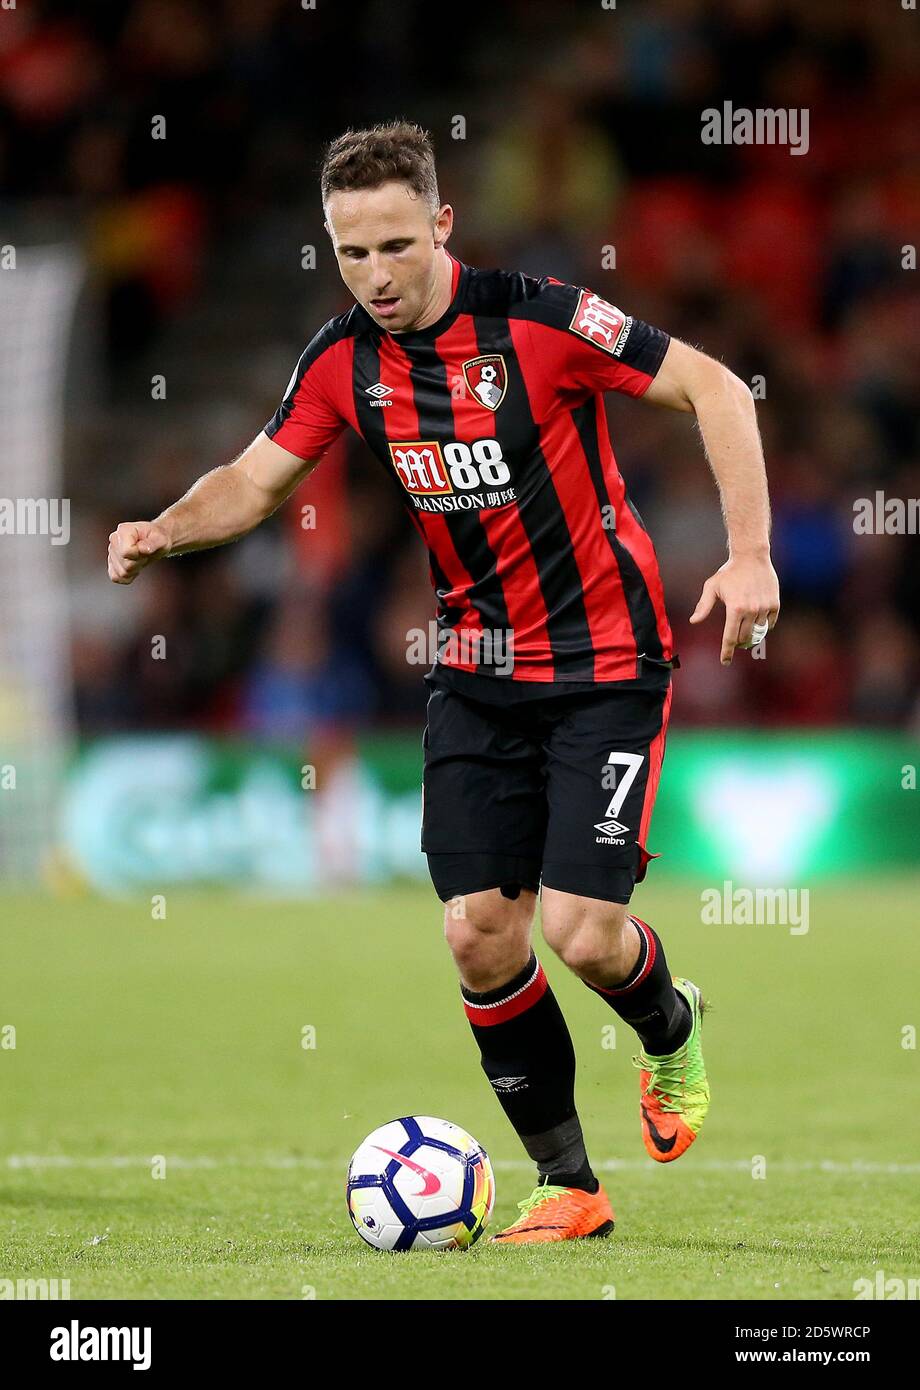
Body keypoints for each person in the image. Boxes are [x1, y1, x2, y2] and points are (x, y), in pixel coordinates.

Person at [108, 121, 780, 1244]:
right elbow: (256, 478)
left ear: (441, 226)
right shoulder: (340, 361)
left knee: (580, 934)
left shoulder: (542, 320)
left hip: (605, 665)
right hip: (471, 671)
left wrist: (748, 553)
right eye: (352, 251)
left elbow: (717, 389)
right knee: (477, 934)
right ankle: (569, 1184)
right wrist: (164, 529)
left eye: (395, 245)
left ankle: (668, 1026)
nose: (375, 274)